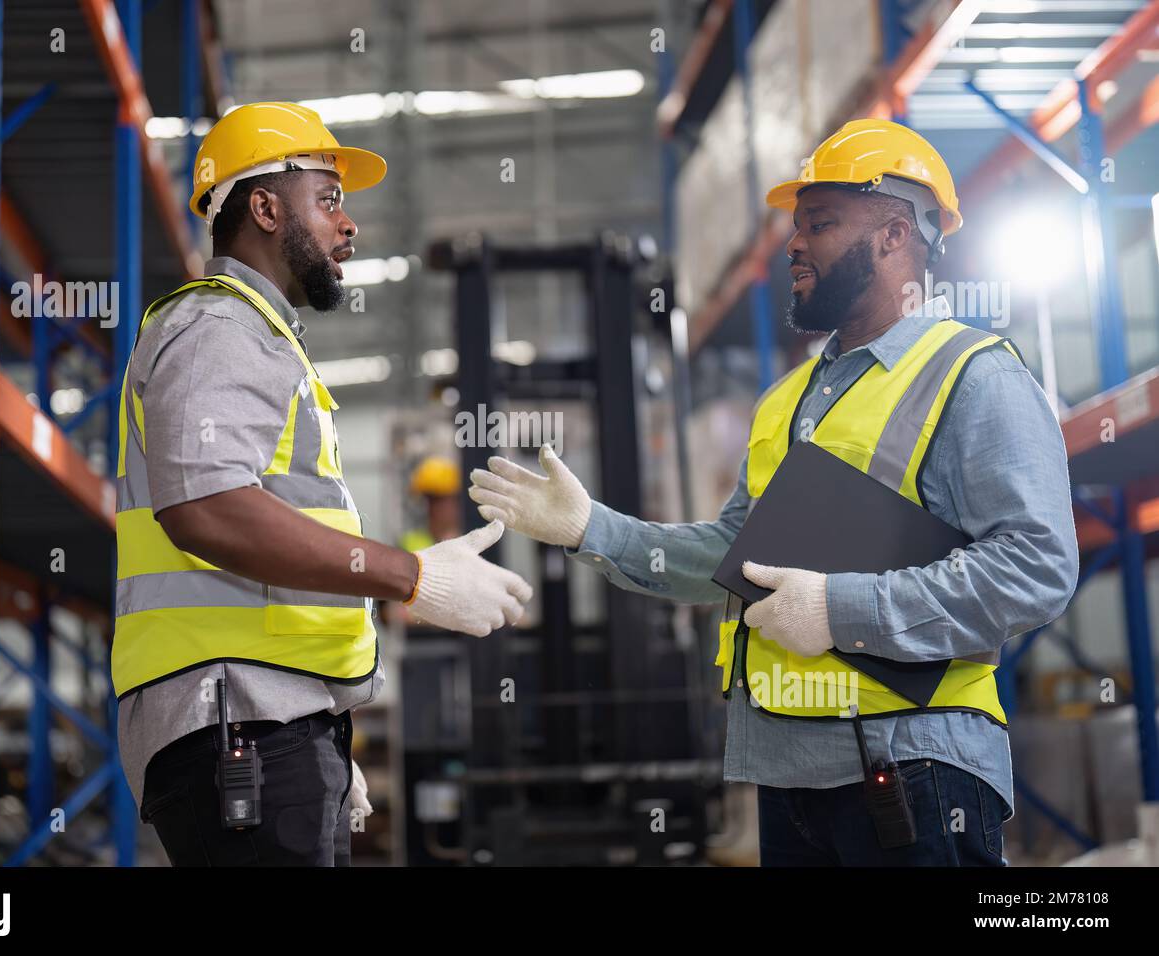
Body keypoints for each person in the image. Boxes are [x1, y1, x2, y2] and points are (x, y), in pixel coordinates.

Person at [469, 119, 1078, 866]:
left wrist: (841, 610)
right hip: (787, 776)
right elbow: (737, 557)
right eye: (796, 225)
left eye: (820, 223)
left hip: (915, 769)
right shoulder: (787, 398)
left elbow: (1035, 567)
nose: (794, 243)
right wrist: (594, 529)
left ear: (894, 236)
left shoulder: (977, 376)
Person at [115, 102, 531, 866]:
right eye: (329, 199)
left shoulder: (262, 340)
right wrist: (411, 576)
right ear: (266, 208)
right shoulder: (218, 328)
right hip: (236, 723)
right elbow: (204, 507)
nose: (350, 226)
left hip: (267, 723)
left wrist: (323, 729)